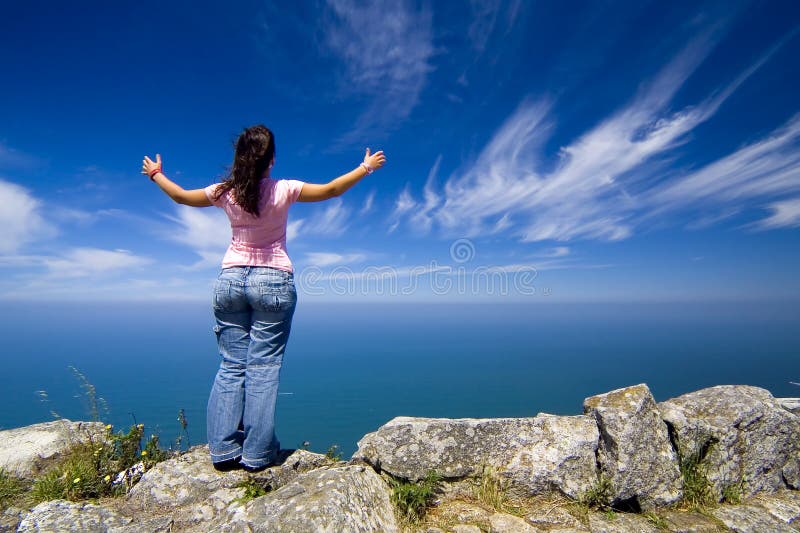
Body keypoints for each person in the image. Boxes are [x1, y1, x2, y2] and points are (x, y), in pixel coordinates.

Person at [142, 124, 386, 471]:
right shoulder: (284, 189)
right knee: (264, 368)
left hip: (230, 281)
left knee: (231, 366)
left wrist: (156, 175)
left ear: (239, 157)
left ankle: (224, 450)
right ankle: (257, 454)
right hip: (273, 280)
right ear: (271, 159)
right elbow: (332, 190)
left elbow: (181, 196)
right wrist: (365, 168)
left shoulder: (224, 192)